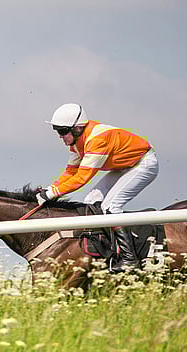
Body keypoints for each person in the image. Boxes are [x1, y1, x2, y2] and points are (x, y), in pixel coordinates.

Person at [32, 103, 158, 270]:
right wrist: (50, 189)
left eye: (63, 131)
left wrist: (52, 194)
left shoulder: (97, 140)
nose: (60, 136)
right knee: (92, 200)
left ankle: (129, 258)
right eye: (57, 131)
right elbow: (70, 173)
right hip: (125, 166)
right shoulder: (76, 143)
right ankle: (109, 249)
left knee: (111, 207)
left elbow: (82, 178)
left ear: (77, 128)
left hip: (144, 164)